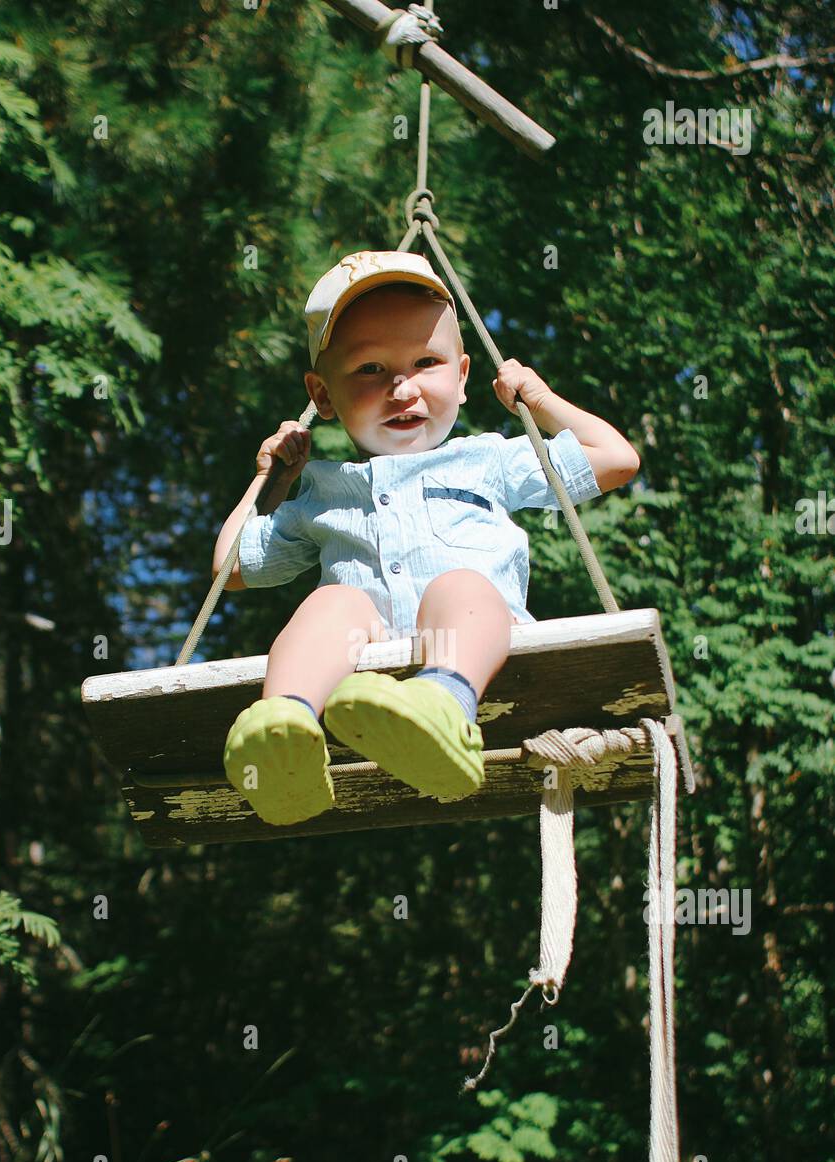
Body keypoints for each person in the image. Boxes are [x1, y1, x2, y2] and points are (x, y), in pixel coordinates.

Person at [213, 250, 639, 825]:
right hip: (361, 672)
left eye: (425, 361)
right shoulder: (321, 490)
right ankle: (284, 726)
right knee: (332, 602)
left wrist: (540, 401)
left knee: (462, 583)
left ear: (463, 377)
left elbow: (615, 459)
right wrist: (272, 479)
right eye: (369, 369)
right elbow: (230, 569)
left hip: (475, 650)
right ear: (322, 397)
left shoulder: (486, 460)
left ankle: (444, 702)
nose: (402, 387)